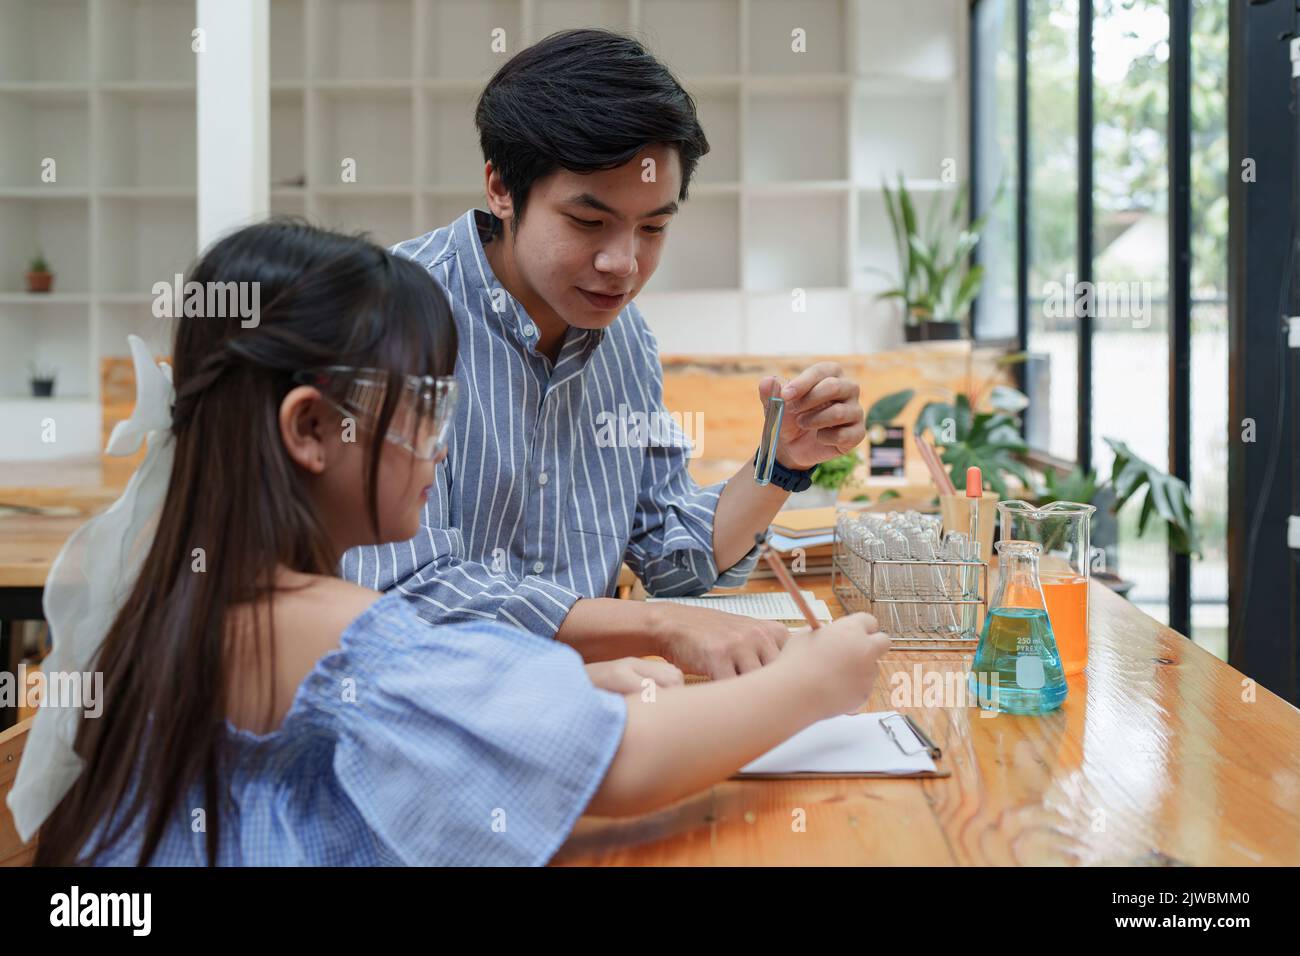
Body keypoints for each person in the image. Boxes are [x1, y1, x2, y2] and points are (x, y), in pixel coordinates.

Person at [9, 221, 889, 866]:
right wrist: (815, 681)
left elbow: (667, 554)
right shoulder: (326, 625)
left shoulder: (211, 594)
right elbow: (623, 767)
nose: (441, 440)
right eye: (426, 408)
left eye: (654, 224)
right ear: (311, 428)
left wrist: (574, 684)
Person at [342, 29, 868, 680]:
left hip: (596, 714)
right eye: (589, 223)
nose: (623, 264)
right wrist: (657, 626)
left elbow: (673, 562)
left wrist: (782, 459)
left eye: (654, 228)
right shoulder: (386, 317)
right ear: (501, 189)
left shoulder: (626, 341)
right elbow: (401, 596)